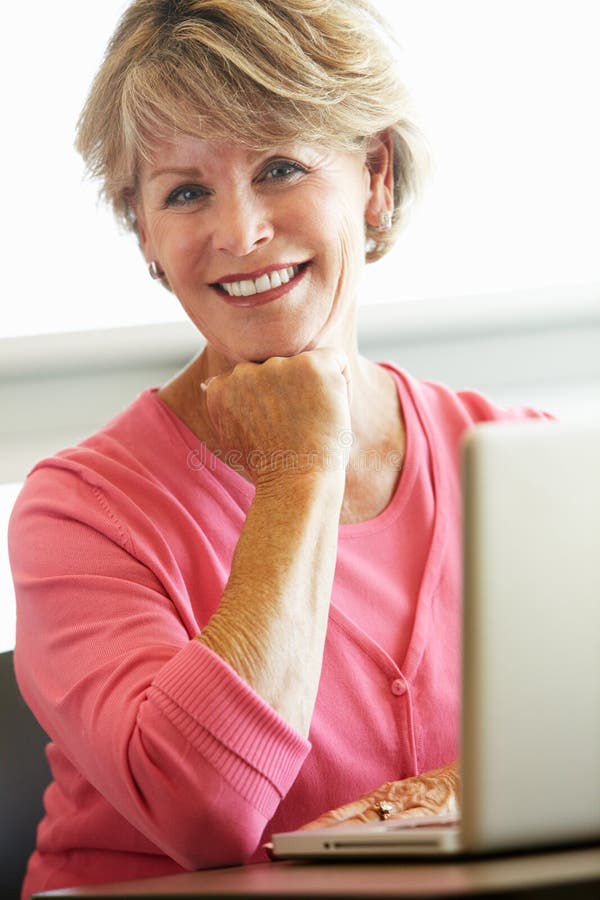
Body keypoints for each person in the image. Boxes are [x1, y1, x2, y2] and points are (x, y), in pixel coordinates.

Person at [8, 1, 548, 896]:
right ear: (143, 231)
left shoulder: (522, 462)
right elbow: (207, 814)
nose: (240, 232)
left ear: (374, 176)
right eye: (185, 192)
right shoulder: (78, 512)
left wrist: (442, 800)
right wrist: (299, 470)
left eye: (281, 167)